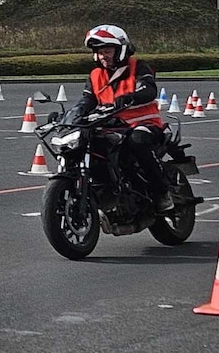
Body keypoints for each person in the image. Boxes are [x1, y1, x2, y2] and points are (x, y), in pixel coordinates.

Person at [69, 24, 172, 212]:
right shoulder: (95, 75)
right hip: (111, 126)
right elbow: (87, 100)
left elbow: (148, 88)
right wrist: (75, 114)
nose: (103, 56)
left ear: (121, 49)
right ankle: (104, 187)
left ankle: (162, 191)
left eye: (107, 51)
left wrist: (130, 97)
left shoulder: (138, 67)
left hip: (142, 124)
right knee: (86, 142)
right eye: (99, 52)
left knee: (138, 140)